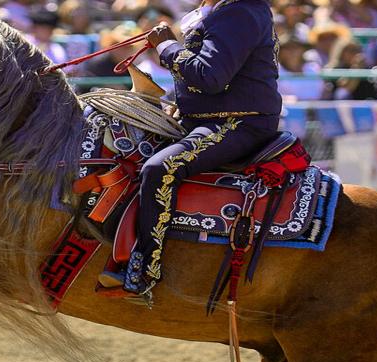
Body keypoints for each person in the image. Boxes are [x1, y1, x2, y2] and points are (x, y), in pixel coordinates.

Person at [99, 0, 284, 300]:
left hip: (239, 124)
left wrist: (167, 46)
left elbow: (209, 76)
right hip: (208, 119)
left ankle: (146, 268)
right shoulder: (224, 11)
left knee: (160, 168)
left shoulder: (241, 11)